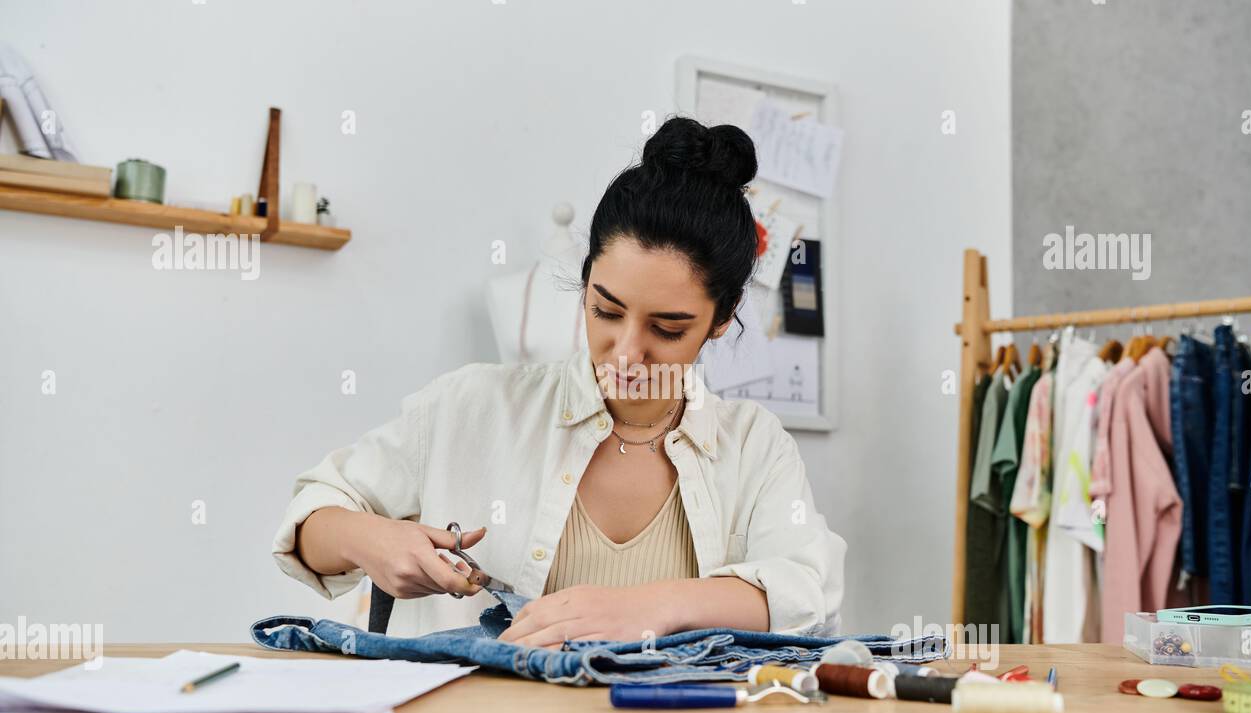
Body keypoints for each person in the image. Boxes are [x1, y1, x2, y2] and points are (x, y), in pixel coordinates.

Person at [272, 115, 846, 646]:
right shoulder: (472, 406)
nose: (625, 355)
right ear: (586, 279)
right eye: (606, 311)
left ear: (722, 318)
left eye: (668, 329)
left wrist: (655, 607)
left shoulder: (753, 446)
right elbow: (309, 522)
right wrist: (370, 540)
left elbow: (808, 592)